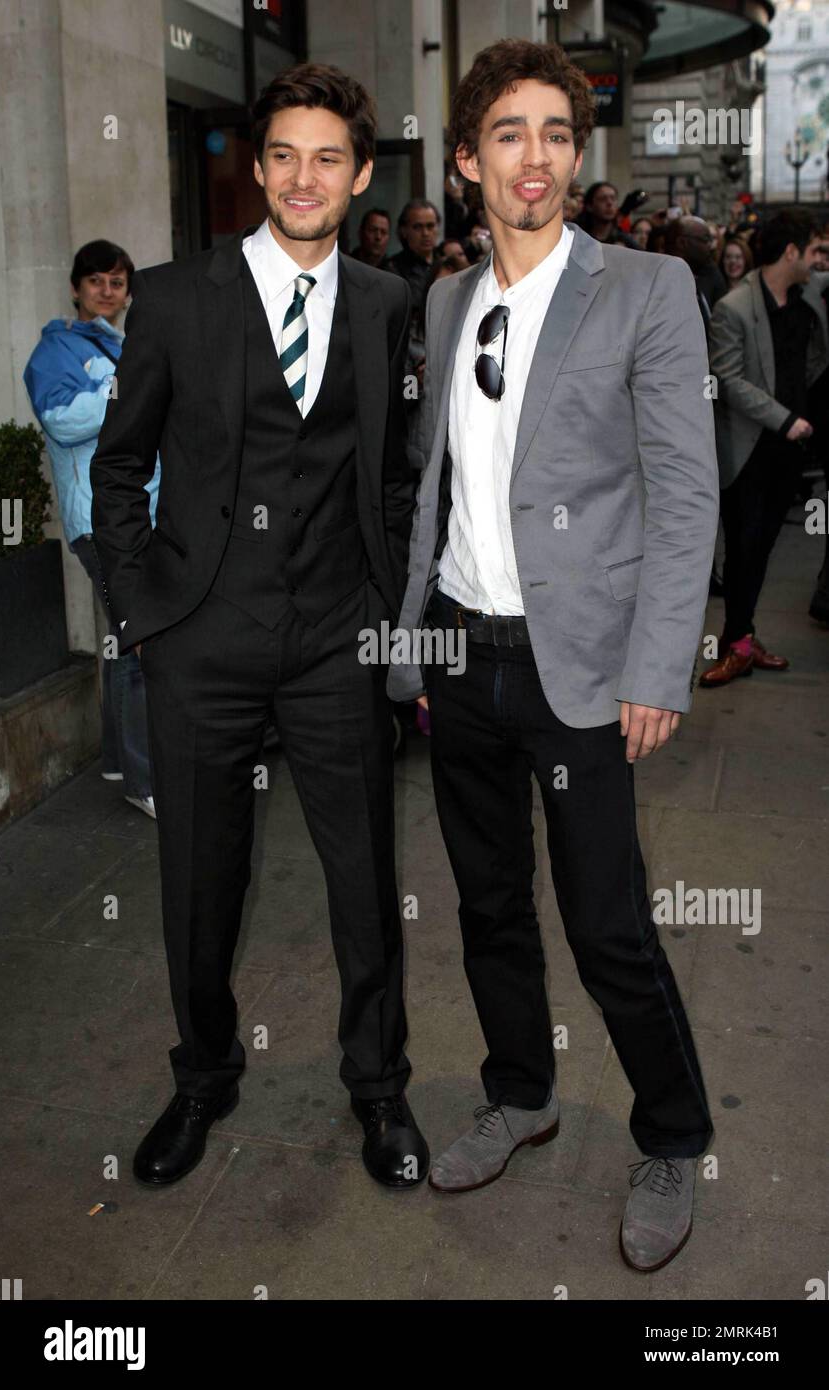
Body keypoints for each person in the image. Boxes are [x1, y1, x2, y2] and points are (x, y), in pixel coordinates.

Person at [387, 36, 720, 1273]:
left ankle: (674, 1133)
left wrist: (656, 667)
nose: (538, 159)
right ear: (467, 159)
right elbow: (435, 487)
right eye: (511, 135)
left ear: (575, 158)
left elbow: (685, 494)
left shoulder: (642, 290)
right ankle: (519, 1092)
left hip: (581, 668)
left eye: (558, 135)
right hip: (466, 658)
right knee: (485, 905)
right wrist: (415, 650)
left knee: (606, 920)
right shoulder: (442, 296)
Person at [90, 62, 428, 1191]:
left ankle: (378, 1091)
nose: (302, 176)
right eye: (281, 153)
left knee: (363, 881)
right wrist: (143, 611)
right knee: (199, 879)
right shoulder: (176, 296)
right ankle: (202, 1077)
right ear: (255, 167)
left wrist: (384, 608)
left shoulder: (386, 304)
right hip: (203, 642)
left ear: (360, 173)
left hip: (337, 640)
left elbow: (391, 475)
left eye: (327, 156)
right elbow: (121, 460)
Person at [23, 239, 159, 819]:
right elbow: (59, 419)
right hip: (100, 520)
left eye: (118, 282)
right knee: (139, 641)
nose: (108, 291)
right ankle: (144, 778)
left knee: (121, 636)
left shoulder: (125, 345)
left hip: (137, 513)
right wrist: (119, 390)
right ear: (76, 288)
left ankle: (116, 757)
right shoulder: (55, 350)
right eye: (97, 281)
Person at [703, 209, 829, 685]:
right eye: (815, 250)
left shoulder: (808, 295)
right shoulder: (735, 308)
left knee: (764, 548)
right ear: (792, 252)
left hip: (791, 448)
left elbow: (814, 356)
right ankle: (736, 643)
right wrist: (786, 418)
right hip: (750, 448)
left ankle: (743, 637)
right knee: (743, 548)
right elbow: (729, 381)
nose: (820, 260)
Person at [664, 215, 728, 335]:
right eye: (705, 239)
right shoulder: (660, 282)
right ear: (682, 242)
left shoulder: (709, 273)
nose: (711, 245)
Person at [385, 198, 441, 324]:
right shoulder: (393, 269)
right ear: (404, 231)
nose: (425, 233)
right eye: (417, 227)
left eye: (430, 226)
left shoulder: (444, 263)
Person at [576, 181, 639, 248]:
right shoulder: (579, 238)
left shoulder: (625, 241)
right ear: (590, 206)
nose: (609, 203)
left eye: (613, 198)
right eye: (603, 199)